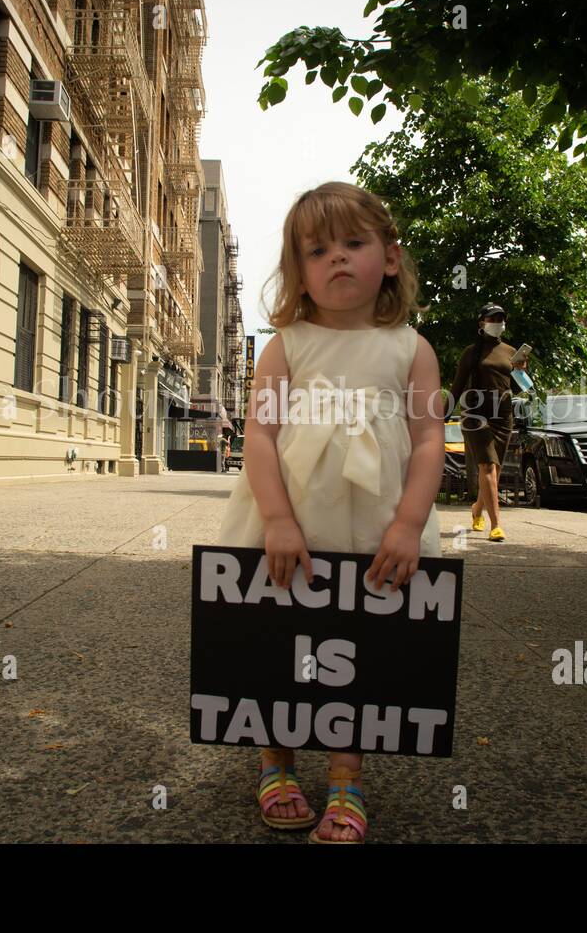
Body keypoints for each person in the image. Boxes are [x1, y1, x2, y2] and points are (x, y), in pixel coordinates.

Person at [215, 181, 444, 844]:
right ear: (299, 272)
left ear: (391, 258)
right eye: (317, 250)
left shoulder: (412, 348)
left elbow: (430, 440)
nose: (337, 258)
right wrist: (278, 519)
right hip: (288, 517)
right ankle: (276, 763)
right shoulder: (286, 344)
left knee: (359, 643)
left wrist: (407, 524)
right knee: (278, 637)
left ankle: (347, 774)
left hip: (375, 522)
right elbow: (259, 435)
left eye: (354, 242)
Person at [449, 303, 516, 542]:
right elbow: (456, 387)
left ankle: (477, 509)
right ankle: (496, 525)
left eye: (501, 318)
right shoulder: (471, 352)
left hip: (503, 416)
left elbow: (519, 387)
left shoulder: (510, 352)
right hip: (475, 414)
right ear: (482, 323)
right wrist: (442, 416)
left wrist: (521, 370)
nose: (498, 322)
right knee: (487, 466)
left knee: (493, 471)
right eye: (493, 318)